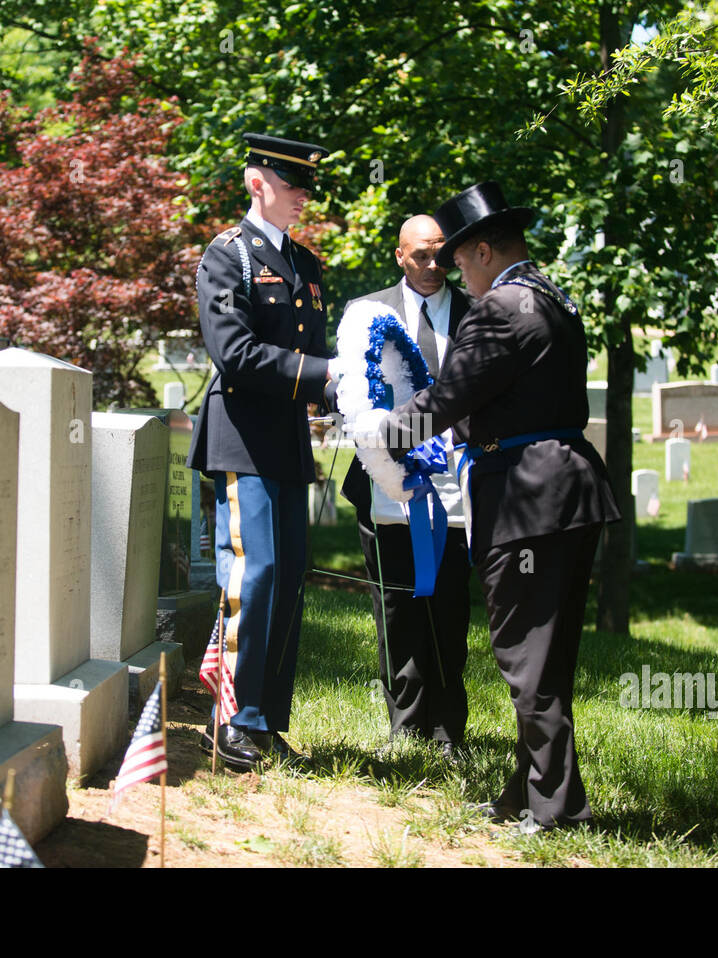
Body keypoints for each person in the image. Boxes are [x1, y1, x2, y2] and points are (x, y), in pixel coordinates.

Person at [366, 182, 620, 830]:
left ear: (482, 251)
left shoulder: (499, 307)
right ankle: (530, 792)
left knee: (525, 657)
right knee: (548, 657)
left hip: (529, 499)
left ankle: (559, 810)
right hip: (569, 492)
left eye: (458, 262)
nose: (457, 277)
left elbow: (444, 402)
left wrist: (374, 435)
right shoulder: (552, 299)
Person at [188, 133, 335, 771]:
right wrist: (325, 375)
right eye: (292, 182)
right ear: (257, 183)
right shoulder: (228, 258)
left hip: (286, 443)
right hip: (241, 437)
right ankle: (232, 720)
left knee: (289, 580)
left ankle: (267, 718)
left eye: (307, 184)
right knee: (255, 576)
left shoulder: (306, 265)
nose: (304, 195)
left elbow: (316, 362)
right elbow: (236, 355)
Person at [341, 215, 473, 759]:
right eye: (421, 254)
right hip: (388, 483)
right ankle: (407, 723)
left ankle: (448, 728)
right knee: (396, 606)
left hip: (458, 482)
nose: (434, 265)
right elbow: (348, 390)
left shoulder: (477, 311)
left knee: (449, 606)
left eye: (442, 253)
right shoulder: (369, 313)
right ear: (400, 256)